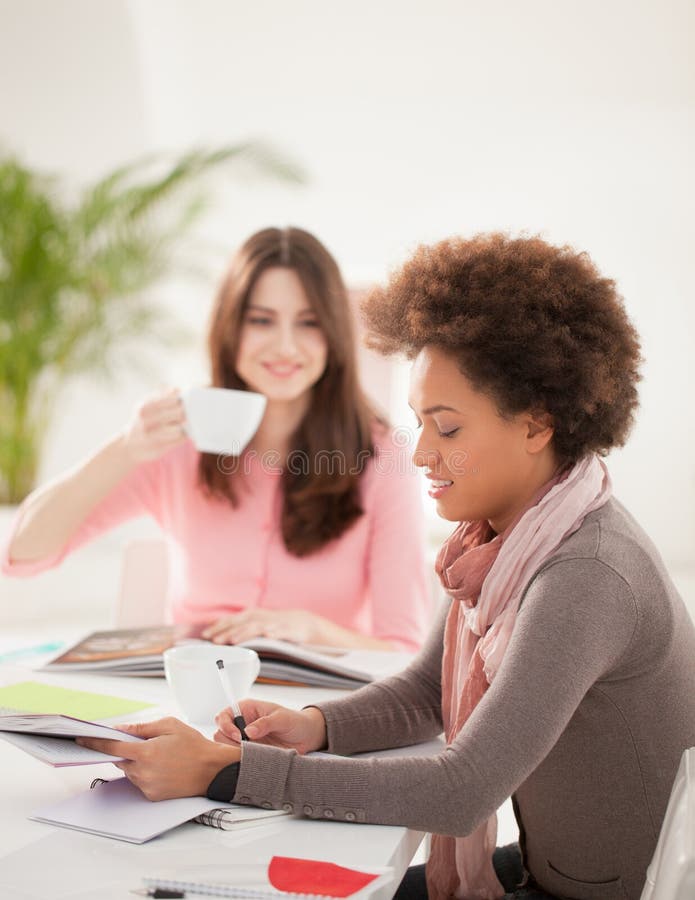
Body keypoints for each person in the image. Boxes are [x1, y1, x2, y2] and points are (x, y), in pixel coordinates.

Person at [75, 233, 695, 900]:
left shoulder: (583, 575)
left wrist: (224, 771)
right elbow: (429, 691)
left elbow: (461, 790)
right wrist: (315, 726)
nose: (420, 452)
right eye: (417, 423)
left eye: (447, 429)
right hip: (547, 870)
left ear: (537, 423)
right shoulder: (500, 540)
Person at [2, 227, 431, 651]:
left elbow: (403, 648)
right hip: (192, 703)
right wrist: (124, 450)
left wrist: (310, 631)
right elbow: (21, 555)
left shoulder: (382, 457)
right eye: (261, 320)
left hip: (315, 712)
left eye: (308, 323)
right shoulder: (179, 444)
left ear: (334, 335)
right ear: (230, 329)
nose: (285, 346)